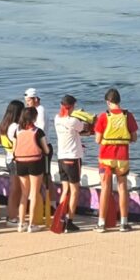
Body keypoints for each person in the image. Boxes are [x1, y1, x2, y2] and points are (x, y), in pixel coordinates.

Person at [94, 89, 139, 230]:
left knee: (105, 188)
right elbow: (134, 138)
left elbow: (97, 140)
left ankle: (101, 223)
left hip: (105, 158)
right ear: (119, 101)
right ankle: (124, 223)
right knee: (122, 188)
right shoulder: (128, 115)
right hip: (122, 157)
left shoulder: (103, 116)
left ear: (108, 102)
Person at [52, 94, 94, 228]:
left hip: (61, 158)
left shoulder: (57, 118)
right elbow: (85, 127)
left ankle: (61, 217)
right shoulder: (73, 121)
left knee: (65, 190)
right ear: (71, 107)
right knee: (75, 190)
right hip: (73, 158)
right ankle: (70, 220)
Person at [8, 103, 49, 232]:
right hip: (35, 162)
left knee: (24, 194)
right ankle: (31, 224)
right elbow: (46, 150)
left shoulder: (17, 131)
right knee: (34, 193)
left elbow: (14, 148)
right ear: (34, 118)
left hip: (20, 163)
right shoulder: (38, 131)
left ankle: (21, 223)